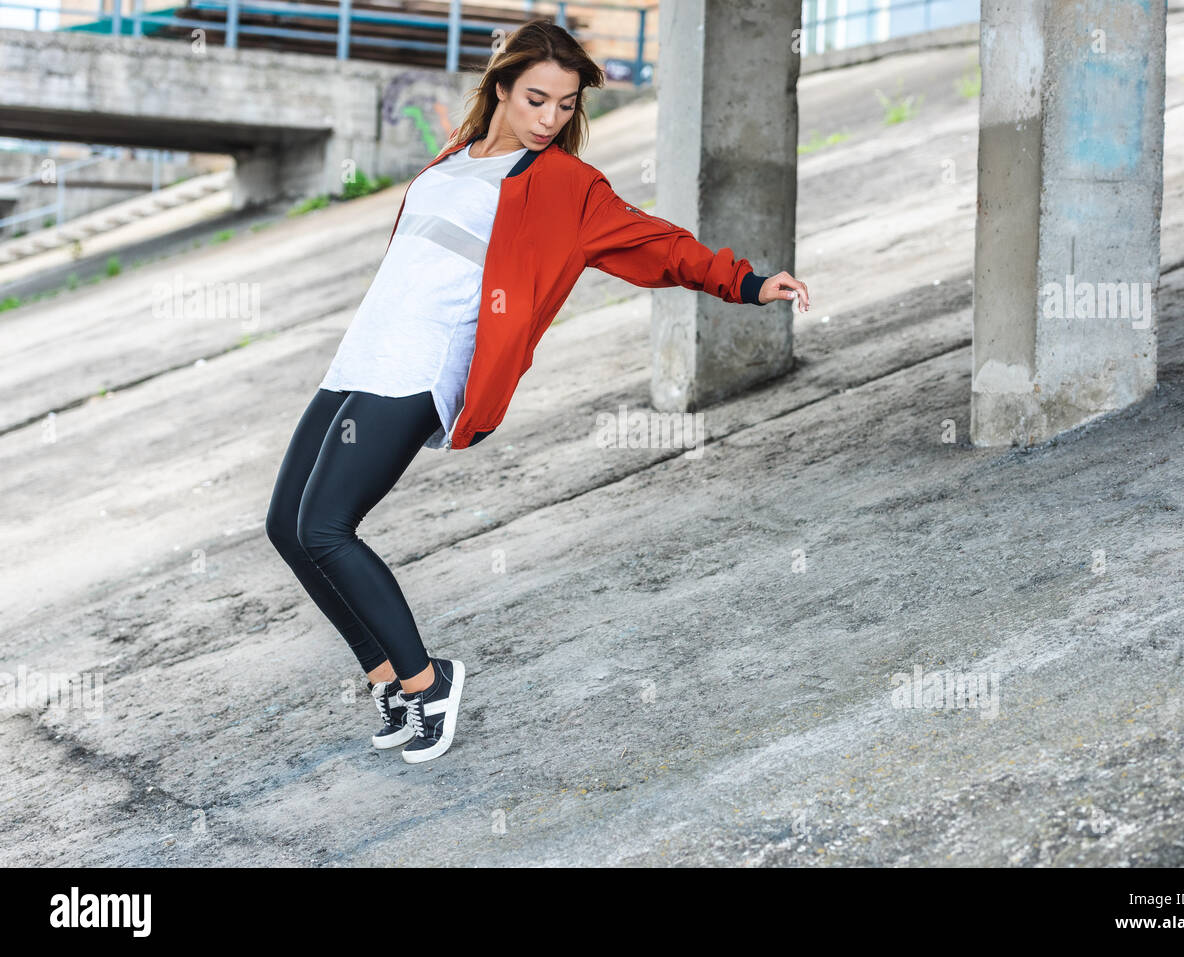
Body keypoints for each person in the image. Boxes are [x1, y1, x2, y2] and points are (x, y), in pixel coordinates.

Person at [264, 18, 812, 765]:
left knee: (327, 525)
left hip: (422, 365)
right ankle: (387, 673)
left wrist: (744, 281)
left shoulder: (564, 184)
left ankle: (430, 680)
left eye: (564, 106)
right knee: (287, 528)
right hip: (362, 354)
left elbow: (655, 243)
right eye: (536, 100)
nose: (551, 120)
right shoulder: (454, 159)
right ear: (499, 87)